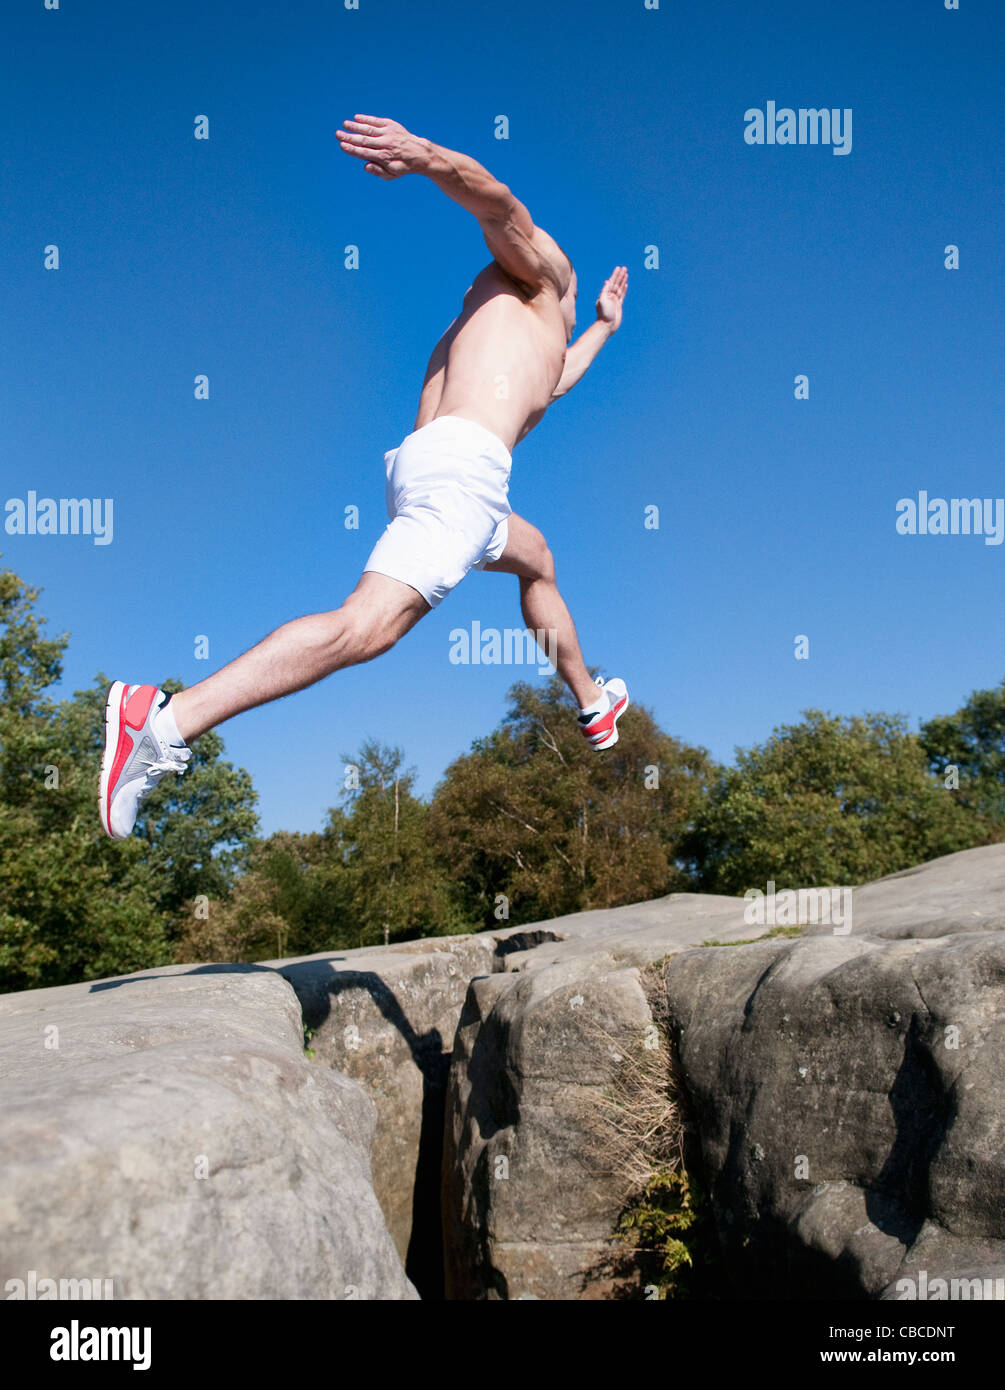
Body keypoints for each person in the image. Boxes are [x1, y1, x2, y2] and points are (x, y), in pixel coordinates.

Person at [100, 116, 630, 841]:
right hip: (460, 476)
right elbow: (499, 205)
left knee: (535, 561)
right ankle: (162, 721)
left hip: (444, 471)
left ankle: (591, 699)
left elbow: (558, 380)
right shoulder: (544, 279)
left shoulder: (530, 341)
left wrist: (605, 326)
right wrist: (425, 156)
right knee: (366, 626)